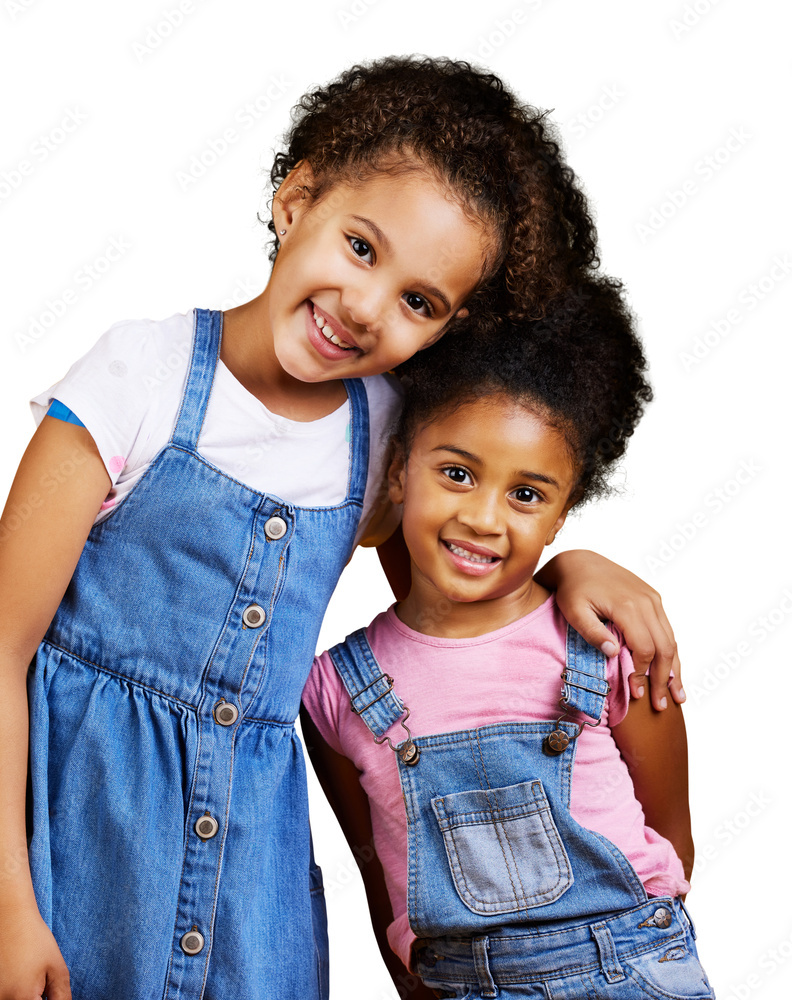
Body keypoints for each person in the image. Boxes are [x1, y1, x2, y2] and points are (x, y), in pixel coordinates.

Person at [0, 59, 681, 1000]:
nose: (365, 307)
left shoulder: (384, 437)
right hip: (55, 832)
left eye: (418, 302)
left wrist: (570, 568)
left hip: (242, 881)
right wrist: (3, 909)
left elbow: (454, 607)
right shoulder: (141, 376)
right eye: (360, 247)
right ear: (296, 198)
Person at [302, 276, 713, 1000]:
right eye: (457, 473)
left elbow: (672, 844)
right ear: (398, 472)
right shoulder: (335, 691)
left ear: (561, 515)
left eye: (525, 494)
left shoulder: (607, 646)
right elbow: (379, 882)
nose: (484, 518)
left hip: (631, 972)